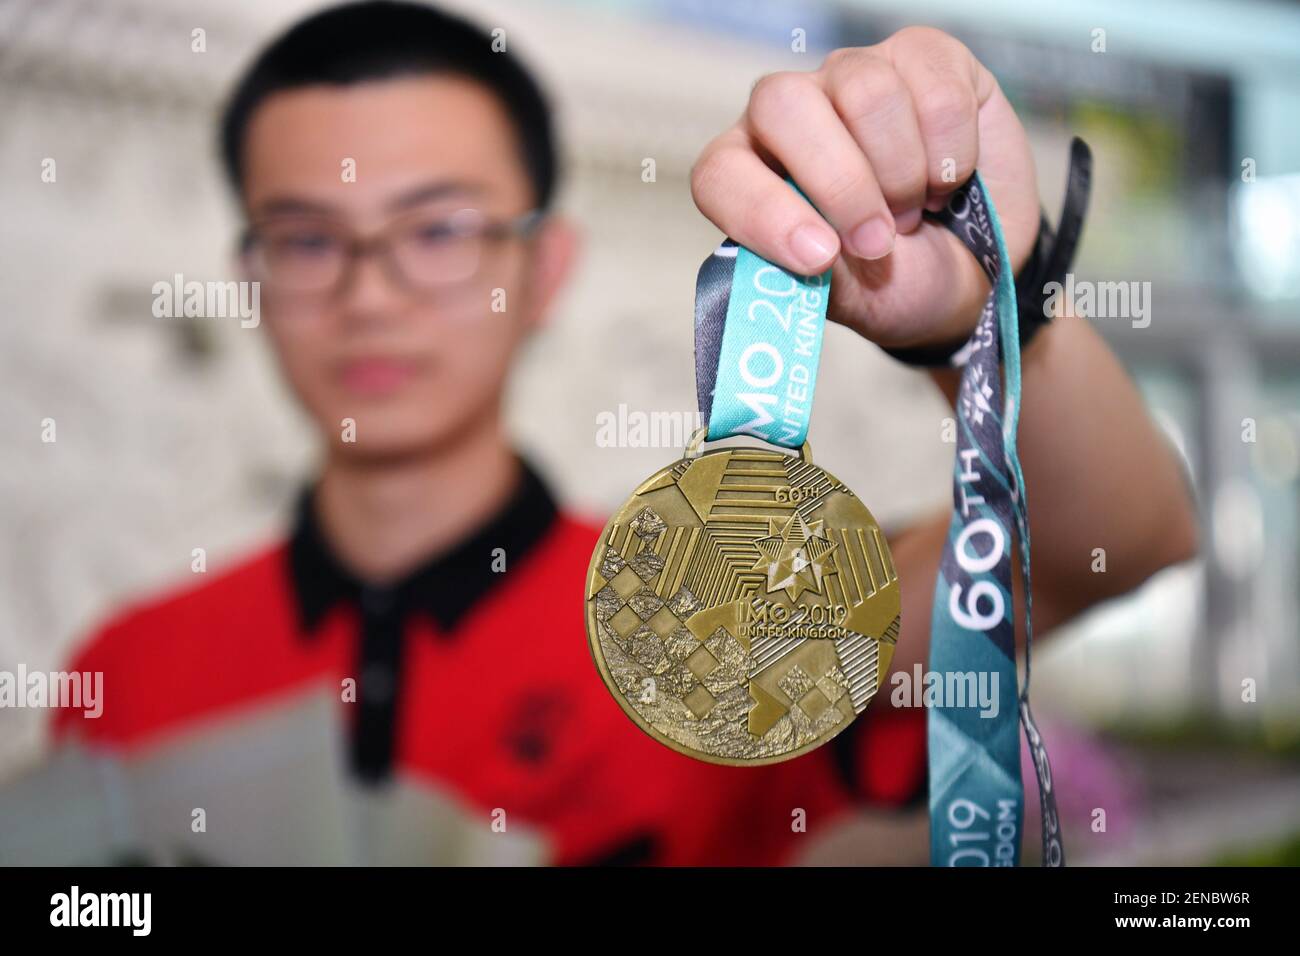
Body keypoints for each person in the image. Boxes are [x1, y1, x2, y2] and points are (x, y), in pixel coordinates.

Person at [51, 0, 1198, 865]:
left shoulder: (736, 609)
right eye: (307, 239)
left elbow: (1116, 541)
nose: (369, 291)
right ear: (249, 274)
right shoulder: (129, 666)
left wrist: (984, 321)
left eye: (438, 229)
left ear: (544, 267)